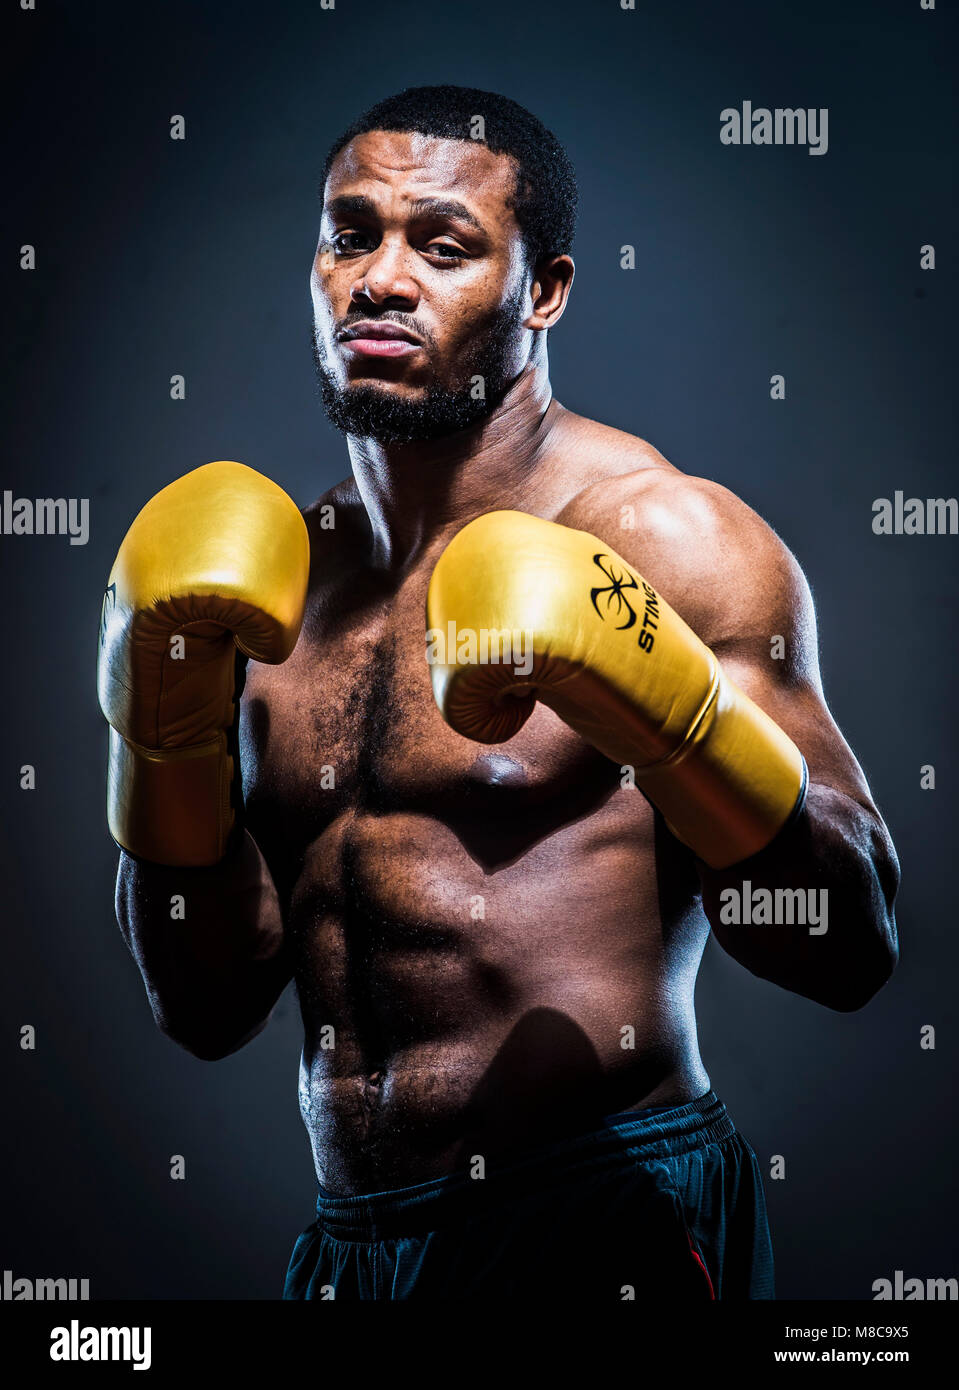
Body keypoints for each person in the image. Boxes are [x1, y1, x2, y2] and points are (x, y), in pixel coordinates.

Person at [98, 86, 899, 1301]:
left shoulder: (665, 536)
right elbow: (203, 1005)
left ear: (542, 291)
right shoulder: (265, 589)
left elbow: (849, 945)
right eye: (349, 234)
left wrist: (679, 722)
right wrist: (159, 748)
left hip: (607, 1212)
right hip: (353, 1243)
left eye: (442, 244)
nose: (378, 277)